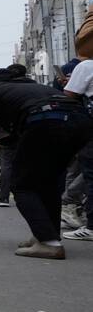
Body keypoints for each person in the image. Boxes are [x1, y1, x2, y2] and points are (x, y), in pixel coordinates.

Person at [0, 69, 93, 259]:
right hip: (81, 124)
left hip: (46, 123)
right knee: (49, 185)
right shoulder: (35, 89)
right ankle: (46, 236)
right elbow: (20, 132)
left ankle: (49, 243)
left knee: (21, 185)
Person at [61, 58, 93, 243]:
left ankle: (71, 205)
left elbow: (68, 95)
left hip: (85, 131)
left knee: (87, 173)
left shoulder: (86, 66)